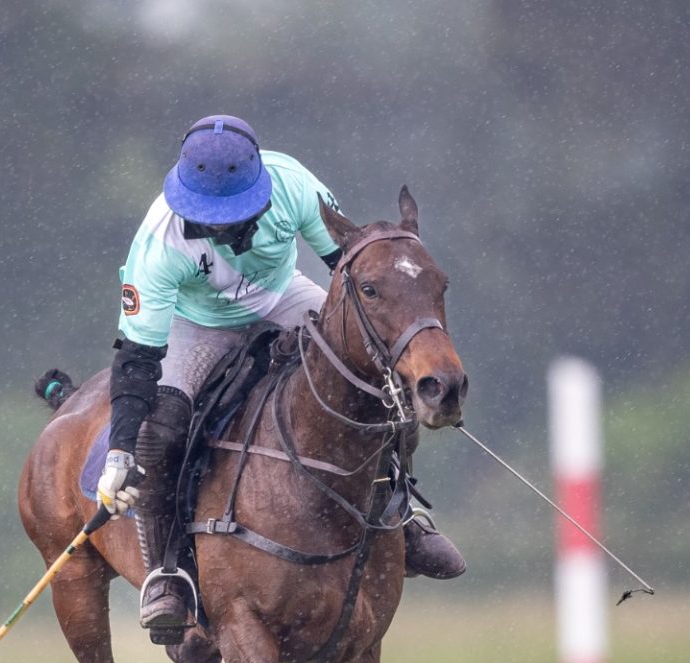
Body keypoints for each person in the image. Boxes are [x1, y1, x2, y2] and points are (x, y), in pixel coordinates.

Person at [95, 114, 465, 635]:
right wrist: (119, 451)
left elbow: (352, 269)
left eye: (233, 214)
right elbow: (137, 359)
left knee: (378, 383)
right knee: (161, 436)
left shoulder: (293, 185)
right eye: (209, 216)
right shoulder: (159, 245)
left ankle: (399, 518)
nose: (221, 227)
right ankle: (167, 572)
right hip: (195, 324)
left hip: (280, 296)